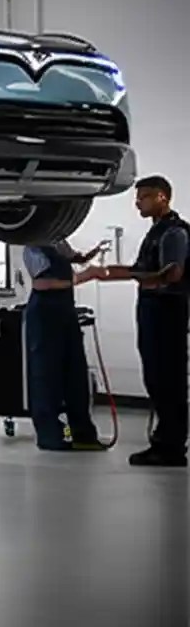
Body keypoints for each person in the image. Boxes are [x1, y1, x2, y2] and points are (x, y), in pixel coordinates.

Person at [93, 175, 190, 467]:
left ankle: (171, 447)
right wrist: (104, 272)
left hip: (167, 310)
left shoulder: (174, 233)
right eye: (137, 198)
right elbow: (141, 269)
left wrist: (130, 276)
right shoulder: (156, 232)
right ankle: (164, 441)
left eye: (144, 197)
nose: (138, 203)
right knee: (155, 377)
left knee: (167, 378)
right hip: (152, 309)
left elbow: (171, 274)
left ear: (162, 197)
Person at [20, 240, 109, 451]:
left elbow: (75, 257)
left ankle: (83, 435)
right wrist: (86, 276)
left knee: (76, 372)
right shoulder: (33, 246)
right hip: (45, 314)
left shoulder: (58, 240)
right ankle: (50, 436)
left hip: (65, 311)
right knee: (46, 375)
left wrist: (94, 252)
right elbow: (43, 284)